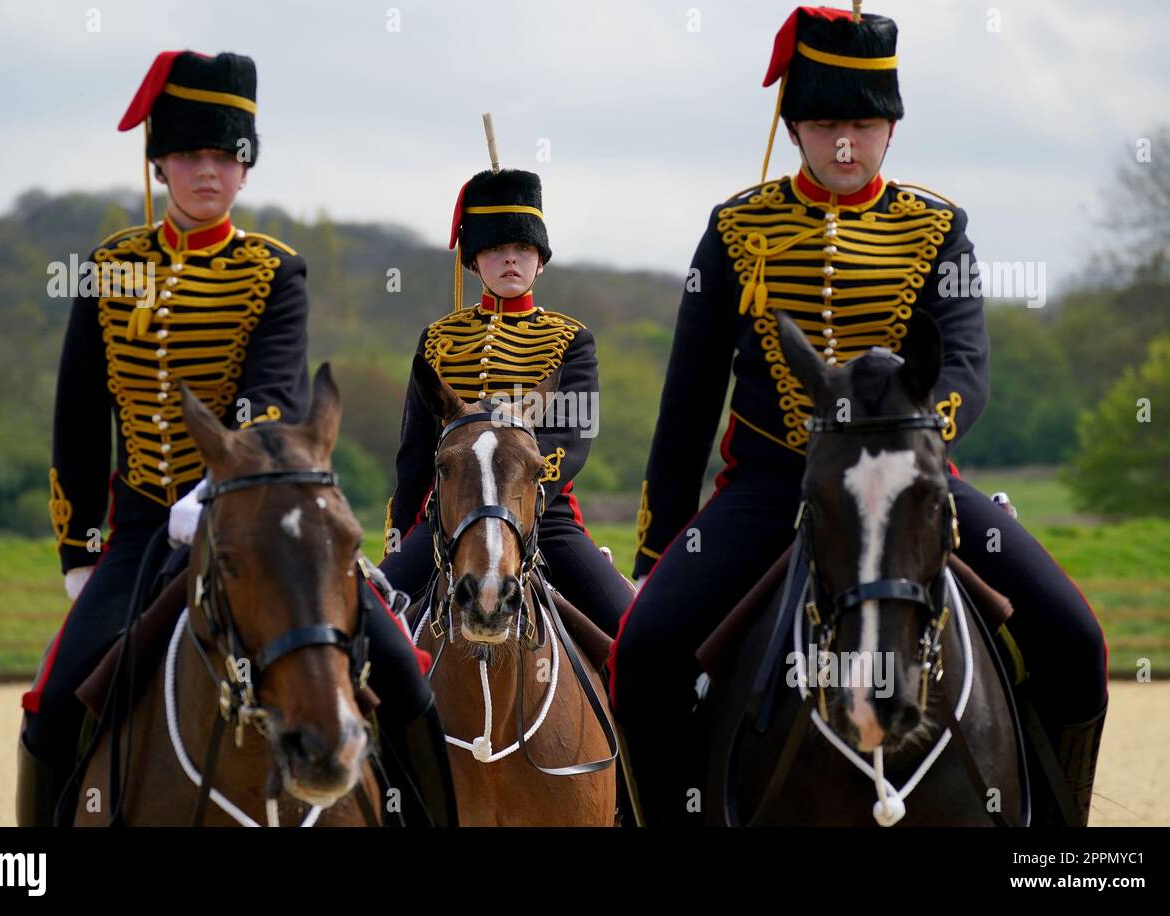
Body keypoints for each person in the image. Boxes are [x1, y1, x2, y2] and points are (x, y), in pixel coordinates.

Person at [606, 5, 1107, 826]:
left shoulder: (939, 229)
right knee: (647, 655)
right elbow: (688, 403)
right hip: (775, 485)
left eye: (865, 124)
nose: (846, 143)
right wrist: (663, 545)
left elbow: (969, 365)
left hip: (913, 478)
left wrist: (912, 434)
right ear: (795, 128)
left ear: (891, 131)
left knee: (1075, 644)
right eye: (827, 123)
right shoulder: (736, 231)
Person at [16, 49, 312, 826]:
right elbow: (79, 419)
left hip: (249, 517)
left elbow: (271, 401)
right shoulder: (109, 267)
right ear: (159, 165)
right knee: (52, 708)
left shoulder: (275, 271)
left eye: (224, 156)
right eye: (188, 155)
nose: (206, 172)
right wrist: (80, 552)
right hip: (143, 529)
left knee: (403, 676)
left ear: (245, 169)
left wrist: (213, 487)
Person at [378, 165, 634, 638]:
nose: (510, 260)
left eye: (522, 249)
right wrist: (396, 541)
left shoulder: (571, 339)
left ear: (541, 259)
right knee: (365, 621)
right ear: (474, 261)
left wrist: (514, 497)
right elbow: (415, 458)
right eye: (496, 249)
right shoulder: (437, 340)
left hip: (541, 512)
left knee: (636, 629)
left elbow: (572, 440)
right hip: (448, 514)